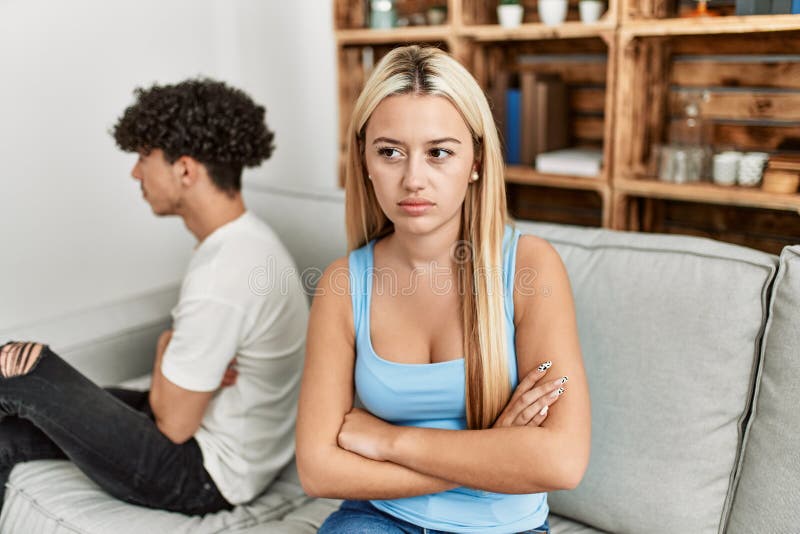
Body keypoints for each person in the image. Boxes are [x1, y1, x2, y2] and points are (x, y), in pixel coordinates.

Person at [296, 46, 591, 533]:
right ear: (365, 160)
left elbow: (562, 461)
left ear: (476, 160)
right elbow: (318, 470)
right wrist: (492, 454)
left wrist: (391, 442)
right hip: (378, 519)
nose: (413, 179)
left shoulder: (530, 268)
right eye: (390, 152)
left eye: (439, 152)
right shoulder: (343, 284)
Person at [0, 79, 308, 515]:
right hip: (218, 444)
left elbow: (173, 423)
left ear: (185, 170)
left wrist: (166, 346)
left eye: (144, 157)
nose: (135, 173)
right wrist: (175, 357)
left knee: (22, 370)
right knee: (8, 434)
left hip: (201, 473)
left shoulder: (225, 270)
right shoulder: (247, 242)